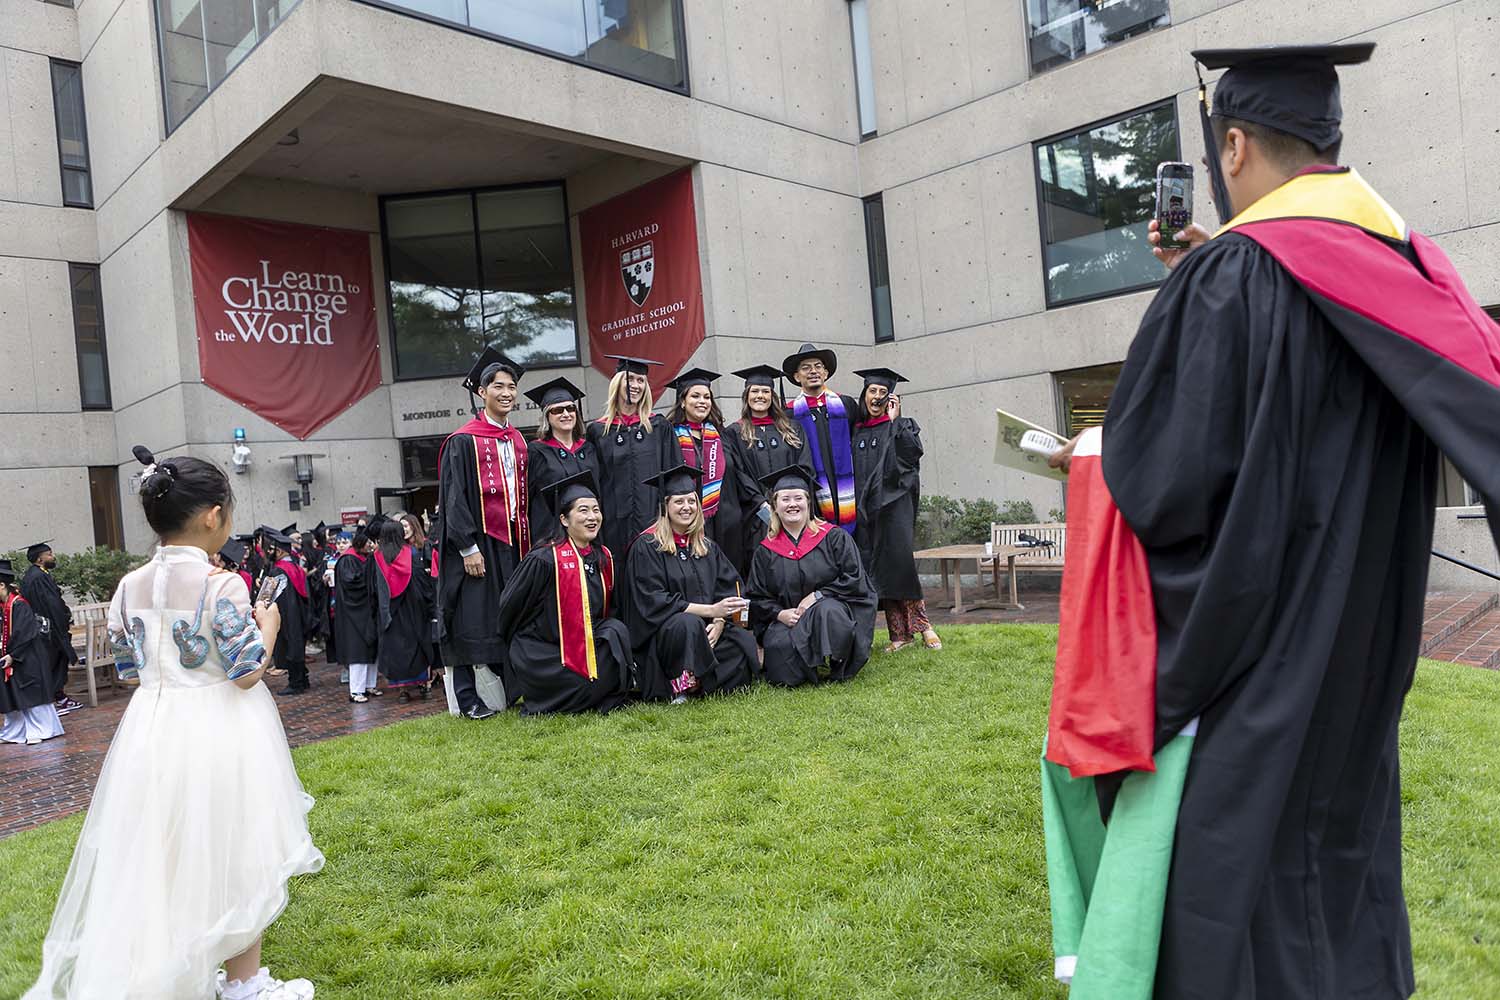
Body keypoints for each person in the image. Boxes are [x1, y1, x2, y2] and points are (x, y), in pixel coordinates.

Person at [1039, 43, 1500, 1000]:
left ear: (1235, 146)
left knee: (1231, 884)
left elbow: (1167, 487)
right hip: (1357, 653)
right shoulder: (1405, 270)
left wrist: (1089, 453)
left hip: (1255, 658)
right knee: (1334, 855)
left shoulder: (1233, 279)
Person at [23, 445, 321, 1000]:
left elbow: (130, 671)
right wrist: (270, 626)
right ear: (214, 516)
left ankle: (179, 965)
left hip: (152, 728)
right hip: (222, 725)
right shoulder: (221, 584)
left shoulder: (127, 587)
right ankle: (243, 980)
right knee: (238, 845)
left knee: (167, 853)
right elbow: (246, 673)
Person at [435, 348, 531, 720]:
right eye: (498, 387)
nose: (507, 393)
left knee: (506, 614)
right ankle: (467, 698)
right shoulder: (463, 441)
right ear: (481, 392)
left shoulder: (518, 440)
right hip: (479, 543)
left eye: (511, 387)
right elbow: (454, 498)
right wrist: (467, 547)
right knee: (470, 617)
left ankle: (509, 690)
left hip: (514, 543)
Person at [494, 471, 633, 716]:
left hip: (586, 642)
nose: (592, 517)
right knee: (587, 682)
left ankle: (592, 691)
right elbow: (510, 605)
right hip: (544, 651)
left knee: (615, 632)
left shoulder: (602, 557)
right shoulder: (544, 559)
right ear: (564, 519)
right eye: (583, 510)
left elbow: (608, 611)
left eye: (596, 510)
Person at [624, 464, 756, 703]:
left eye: (691, 501)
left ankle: (699, 681)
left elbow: (728, 587)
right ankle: (680, 686)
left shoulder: (706, 547)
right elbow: (653, 601)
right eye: (679, 502)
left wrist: (719, 622)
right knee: (688, 624)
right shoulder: (647, 547)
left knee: (739, 642)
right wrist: (710, 611)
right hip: (667, 637)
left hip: (706, 628)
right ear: (665, 506)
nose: (686, 507)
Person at [746, 465, 876, 687]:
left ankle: (836, 661)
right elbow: (757, 596)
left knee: (829, 611)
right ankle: (806, 665)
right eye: (785, 499)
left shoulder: (834, 538)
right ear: (775, 506)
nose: (792, 504)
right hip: (790, 619)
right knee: (784, 674)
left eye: (798, 498)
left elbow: (854, 578)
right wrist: (779, 614)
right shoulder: (765, 551)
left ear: (809, 503)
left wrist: (818, 596)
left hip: (830, 610)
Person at [851, 368, 940, 652]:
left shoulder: (902, 426)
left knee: (901, 565)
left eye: (883, 392)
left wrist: (894, 421)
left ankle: (924, 626)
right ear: (864, 395)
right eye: (872, 391)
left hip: (894, 507)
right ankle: (899, 635)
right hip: (867, 511)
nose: (876, 397)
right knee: (879, 569)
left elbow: (910, 457)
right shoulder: (857, 430)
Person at [724, 364, 813, 578]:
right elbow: (738, 473)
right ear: (746, 396)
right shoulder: (734, 432)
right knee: (764, 566)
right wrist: (762, 505)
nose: (760, 396)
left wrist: (789, 499)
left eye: (765, 391)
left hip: (792, 508)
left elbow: (805, 464)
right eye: (755, 391)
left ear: (772, 396)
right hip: (756, 514)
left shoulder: (792, 427)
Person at [658, 368, 749, 572]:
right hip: (689, 518)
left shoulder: (722, 436)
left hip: (727, 519)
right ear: (682, 401)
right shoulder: (670, 436)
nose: (702, 401)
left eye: (707, 397)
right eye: (695, 396)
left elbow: (739, 474)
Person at [587, 355, 668, 561]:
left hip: (652, 521)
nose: (636, 385)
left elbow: (670, 475)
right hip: (612, 524)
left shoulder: (658, 426)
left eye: (641, 380)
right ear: (617, 383)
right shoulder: (598, 431)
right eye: (630, 379)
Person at [781, 343, 858, 535]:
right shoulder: (789, 413)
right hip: (813, 490)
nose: (813, 371)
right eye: (806, 368)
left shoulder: (846, 404)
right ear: (797, 376)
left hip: (850, 487)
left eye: (818, 366)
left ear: (826, 373)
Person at [525, 376, 600, 545]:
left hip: (588, 535)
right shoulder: (537, 451)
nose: (566, 414)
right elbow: (530, 497)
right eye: (557, 410)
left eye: (570, 408)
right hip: (552, 535)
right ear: (547, 417)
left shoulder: (588, 449)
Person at [1, 558, 66, 745]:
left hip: (28, 656)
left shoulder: (19, 604)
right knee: (13, 695)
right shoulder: (4, 606)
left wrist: (12, 655)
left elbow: (25, 634)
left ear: (2, 585)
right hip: (12, 656)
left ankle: (43, 730)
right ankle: (15, 732)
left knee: (32, 693)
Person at [373, 518, 433, 702]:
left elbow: (373, 588)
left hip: (389, 611)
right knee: (417, 645)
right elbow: (421, 584)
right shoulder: (411, 553)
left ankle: (402, 691)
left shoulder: (377, 557)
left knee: (395, 649)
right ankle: (423, 685)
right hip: (412, 609)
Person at [20, 542, 83, 716]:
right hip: (48, 631)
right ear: (40, 559)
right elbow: (52, 604)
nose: (52, 556)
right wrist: (64, 618)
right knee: (52, 663)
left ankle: (58, 697)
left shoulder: (37, 574)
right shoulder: (38, 577)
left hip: (45, 629)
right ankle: (54, 701)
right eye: (49, 554)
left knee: (54, 663)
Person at [258, 527, 310, 697]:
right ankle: (302, 678)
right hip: (298, 612)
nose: (268, 552)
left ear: (279, 551)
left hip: (287, 613)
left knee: (290, 644)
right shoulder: (293, 566)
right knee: (297, 644)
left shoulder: (279, 570)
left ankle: (296, 683)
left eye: (271, 549)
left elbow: (267, 596)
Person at [396, 511, 441, 700]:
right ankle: (404, 687)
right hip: (403, 605)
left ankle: (425, 682)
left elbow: (435, 575)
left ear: (414, 526)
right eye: (401, 527)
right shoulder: (397, 550)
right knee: (404, 646)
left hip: (424, 602)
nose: (404, 530)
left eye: (406, 526)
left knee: (424, 644)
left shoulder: (427, 547)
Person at [332, 525, 379, 704]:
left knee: (371, 649)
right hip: (353, 614)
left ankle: (370, 685)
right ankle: (356, 690)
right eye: (368, 542)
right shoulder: (348, 560)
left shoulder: (362, 557)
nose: (371, 545)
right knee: (358, 651)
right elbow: (353, 583)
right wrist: (369, 572)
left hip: (365, 612)